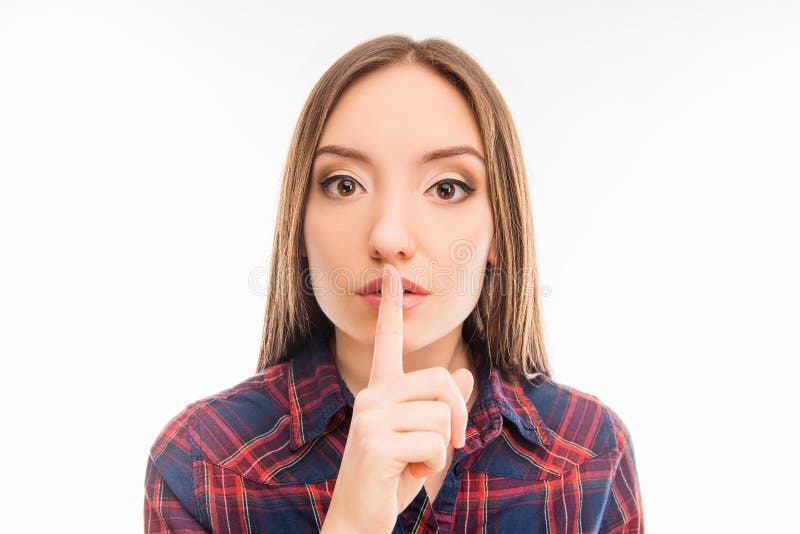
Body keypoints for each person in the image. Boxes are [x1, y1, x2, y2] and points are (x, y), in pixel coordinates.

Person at [143, 34, 644, 533]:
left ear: (499, 228)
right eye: (345, 185)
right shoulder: (203, 465)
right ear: (298, 223)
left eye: (447, 188)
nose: (388, 237)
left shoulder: (591, 454)